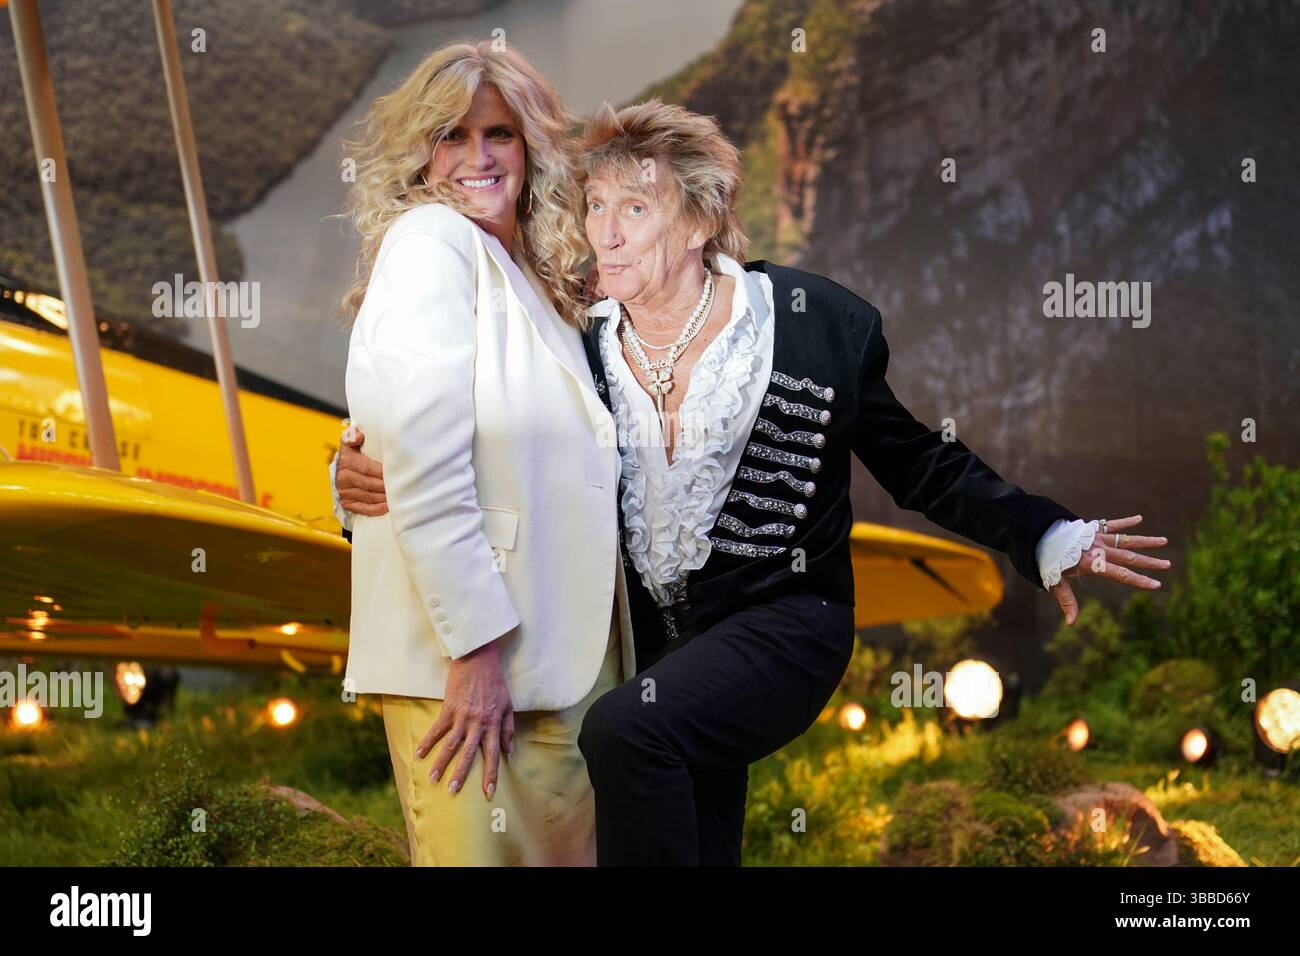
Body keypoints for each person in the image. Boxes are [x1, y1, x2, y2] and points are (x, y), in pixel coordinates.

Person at [334, 99, 1172, 866]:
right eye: (595, 206)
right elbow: (487, 445)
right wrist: (364, 474)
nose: (607, 234)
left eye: (636, 208)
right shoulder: (576, 342)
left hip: (784, 622)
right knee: (696, 825)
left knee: (628, 732)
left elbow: (918, 460)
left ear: (700, 220)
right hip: (653, 642)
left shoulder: (806, 327)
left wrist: (1046, 534)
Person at [334, 40, 636, 866]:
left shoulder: (537, 282)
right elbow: (425, 459)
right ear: (421, 154)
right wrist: (472, 655)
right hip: (473, 678)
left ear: (530, 144)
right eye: (452, 136)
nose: (478, 157)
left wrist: (354, 472)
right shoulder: (432, 241)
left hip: (557, 673)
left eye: (498, 133)